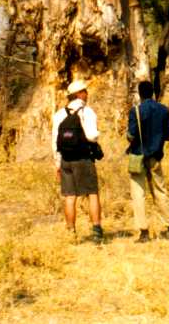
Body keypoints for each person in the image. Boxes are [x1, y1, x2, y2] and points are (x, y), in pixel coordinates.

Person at [127, 80, 169, 243]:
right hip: (156, 156)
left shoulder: (135, 111)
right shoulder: (163, 110)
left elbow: (131, 135)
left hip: (137, 156)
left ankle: (143, 232)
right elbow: (167, 135)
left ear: (139, 94)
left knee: (138, 193)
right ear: (153, 93)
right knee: (160, 190)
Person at [52, 79, 103, 244]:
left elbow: (55, 142)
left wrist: (57, 164)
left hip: (65, 160)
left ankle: (71, 232)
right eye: (85, 91)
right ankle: (96, 231)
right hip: (83, 158)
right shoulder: (87, 112)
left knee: (69, 196)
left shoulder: (59, 114)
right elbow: (92, 135)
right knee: (92, 193)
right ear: (80, 94)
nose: (87, 94)